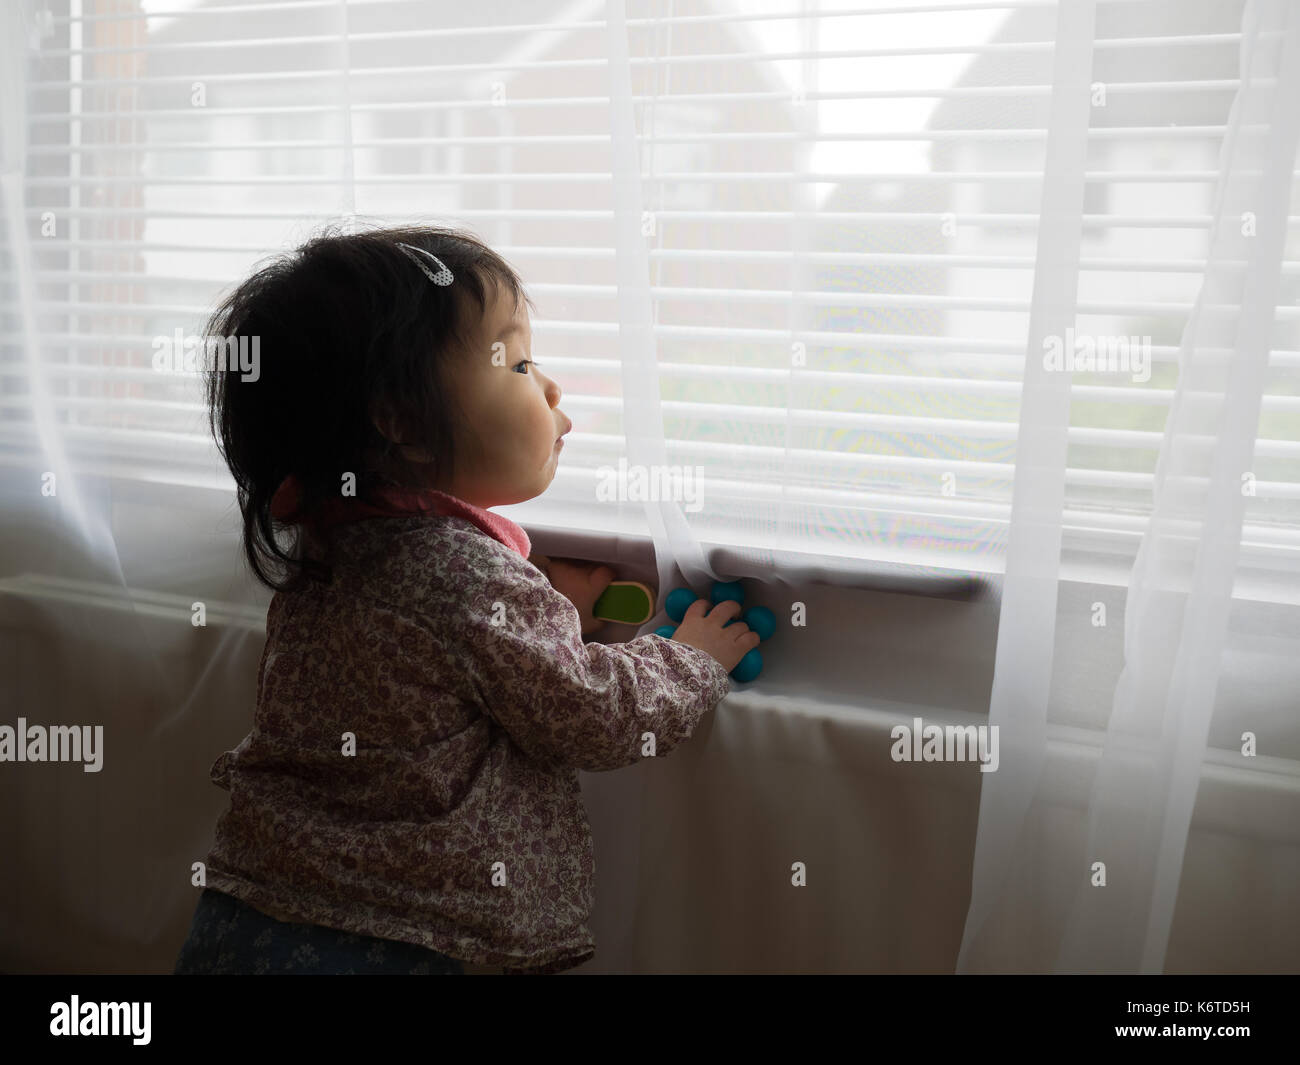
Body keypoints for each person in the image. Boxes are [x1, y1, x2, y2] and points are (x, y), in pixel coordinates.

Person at [172, 223, 759, 975]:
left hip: (252, 915)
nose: (549, 386)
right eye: (516, 362)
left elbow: (436, 665)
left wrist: (544, 608)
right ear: (403, 423)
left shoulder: (331, 551)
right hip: (407, 940)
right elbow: (591, 715)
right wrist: (693, 660)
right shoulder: (466, 580)